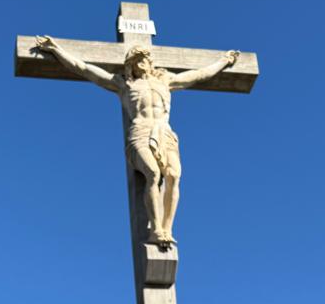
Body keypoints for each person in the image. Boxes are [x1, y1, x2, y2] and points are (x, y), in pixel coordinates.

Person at [34, 36, 241, 247]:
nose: (141, 63)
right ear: (130, 65)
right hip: (140, 132)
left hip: (164, 132)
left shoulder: (165, 80)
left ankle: (167, 228)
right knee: (153, 173)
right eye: (136, 60)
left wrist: (223, 61)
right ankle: (156, 230)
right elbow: (84, 68)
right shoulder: (123, 84)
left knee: (173, 175)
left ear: (150, 62)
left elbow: (199, 74)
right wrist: (56, 50)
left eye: (144, 59)